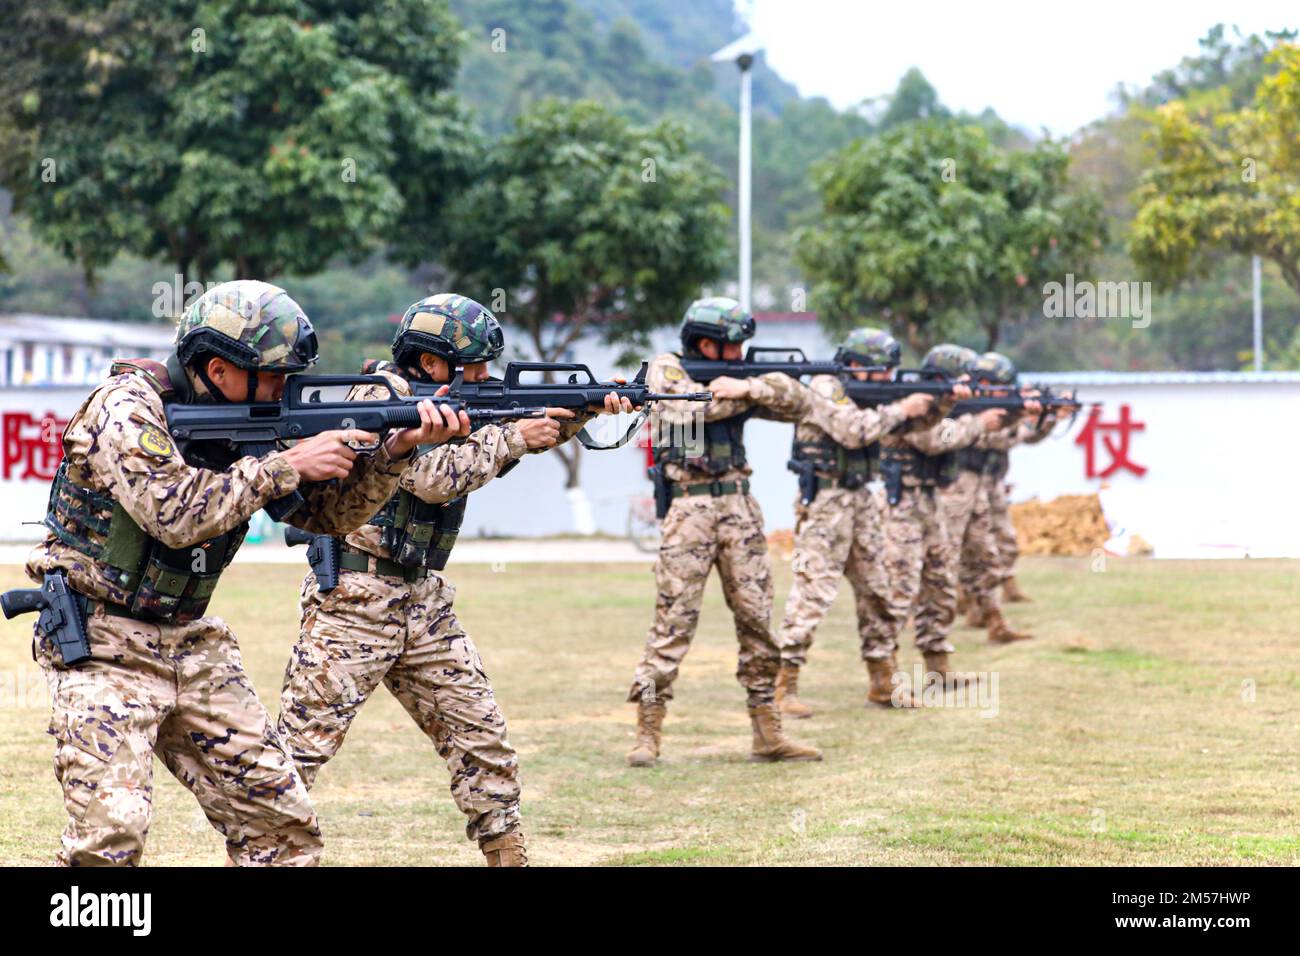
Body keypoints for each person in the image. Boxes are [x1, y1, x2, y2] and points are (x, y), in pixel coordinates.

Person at [24, 280, 457, 866]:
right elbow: (171, 514)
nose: (283, 390)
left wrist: (392, 455)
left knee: (283, 828)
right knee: (111, 837)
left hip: (191, 641)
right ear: (217, 367)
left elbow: (327, 517)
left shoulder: (248, 415)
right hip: (101, 643)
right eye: (273, 374)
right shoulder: (127, 407)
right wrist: (283, 466)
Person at [276, 293, 631, 867]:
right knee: (298, 752)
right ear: (432, 363)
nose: (484, 377)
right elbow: (434, 477)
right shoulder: (378, 400)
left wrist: (582, 410)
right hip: (355, 601)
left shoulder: (454, 398)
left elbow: (505, 438)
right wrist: (517, 436)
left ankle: (507, 854)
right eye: (474, 366)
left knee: (480, 739)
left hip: (423, 599)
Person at [625, 296, 822, 767]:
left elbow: (802, 402)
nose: (738, 355)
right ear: (704, 344)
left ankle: (767, 730)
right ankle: (647, 732)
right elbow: (679, 407)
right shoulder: (666, 368)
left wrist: (747, 385)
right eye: (731, 347)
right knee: (673, 623)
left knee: (757, 619)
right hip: (688, 507)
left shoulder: (741, 379)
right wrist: (739, 392)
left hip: (738, 505)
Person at [774, 328, 938, 715]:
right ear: (856, 367)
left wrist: (938, 405)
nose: (886, 380)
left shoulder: (870, 397)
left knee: (878, 593)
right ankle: (784, 686)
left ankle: (883, 682)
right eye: (880, 372)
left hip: (862, 498)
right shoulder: (825, 386)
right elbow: (853, 431)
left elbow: (912, 428)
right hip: (827, 501)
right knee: (813, 594)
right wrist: (902, 408)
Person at [877, 344, 1002, 686]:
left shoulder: (942, 404)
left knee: (941, 584)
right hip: (900, 504)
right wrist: (977, 423)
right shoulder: (911, 402)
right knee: (900, 588)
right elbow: (933, 439)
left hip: (930, 501)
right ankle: (884, 676)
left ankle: (938, 668)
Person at [959, 352, 1062, 624]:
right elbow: (997, 439)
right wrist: (1019, 416)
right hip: (963, 486)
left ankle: (990, 605)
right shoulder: (966, 412)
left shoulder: (995, 411)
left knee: (998, 544)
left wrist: (1046, 419)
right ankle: (971, 606)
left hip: (989, 482)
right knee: (967, 552)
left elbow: (1025, 437)